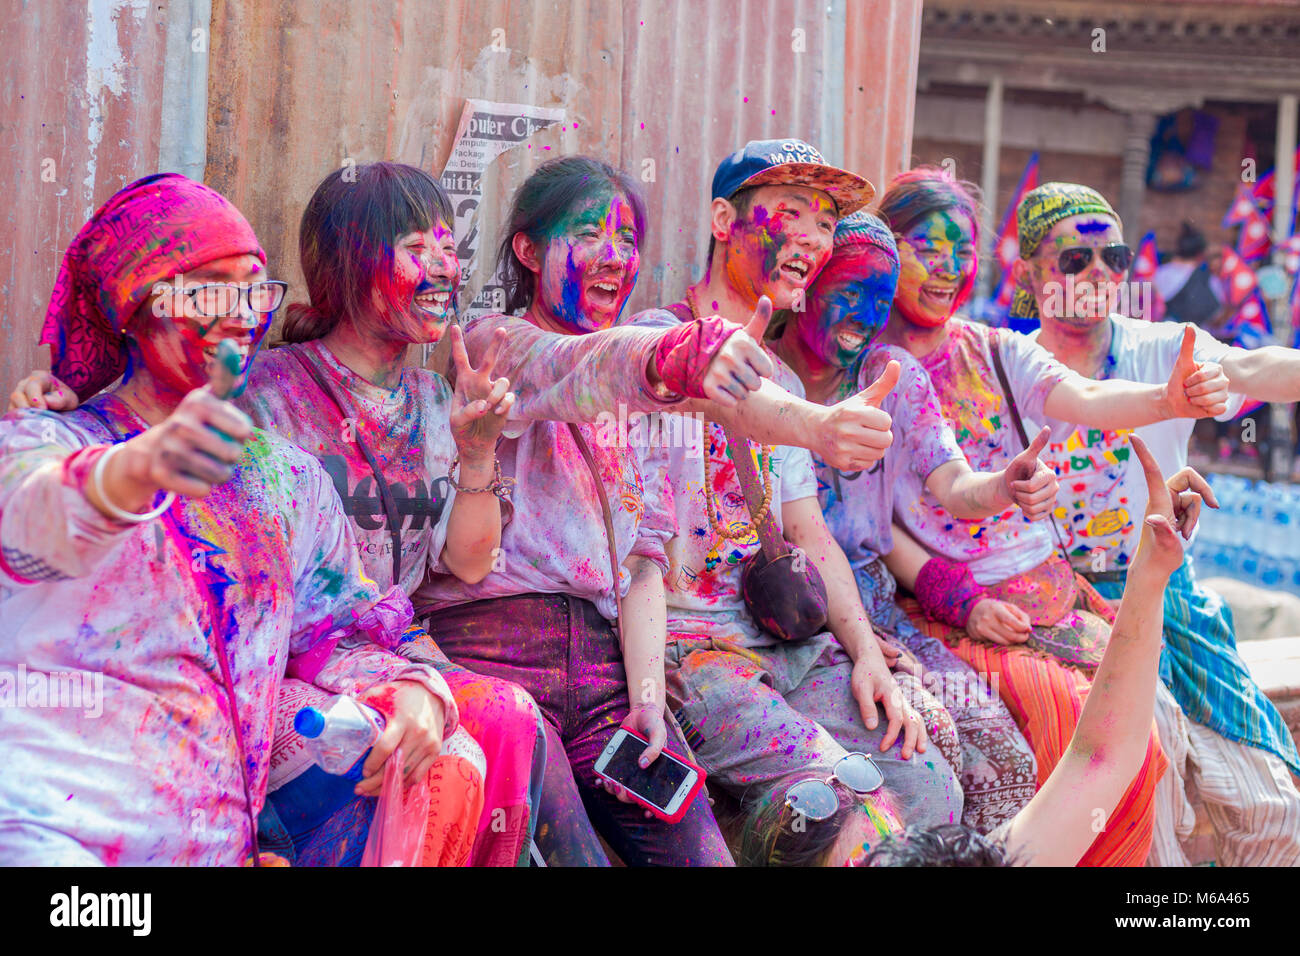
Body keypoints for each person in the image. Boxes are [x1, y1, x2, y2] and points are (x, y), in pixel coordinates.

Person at [11, 162, 548, 867]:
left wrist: (417, 690)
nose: (240, 313)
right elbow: (37, 521)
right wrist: (138, 467)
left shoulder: (281, 477)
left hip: (212, 840)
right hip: (58, 842)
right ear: (133, 305)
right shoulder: (48, 442)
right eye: (210, 289)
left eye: (252, 288)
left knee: (446, 748)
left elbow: (341, 625)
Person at [872, 165, 1224, 865]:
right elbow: (872, 524)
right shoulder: (865, 367)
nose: (948, 269)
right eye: (927, 249)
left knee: (1143, 738)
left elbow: (1089, 402)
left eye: (961, 250)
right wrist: (961, 597)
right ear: (886, 253)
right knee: (1068, 727)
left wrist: (1168, 401)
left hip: (1054, 597)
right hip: (952, 609)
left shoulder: (996, 350)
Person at [638, 140, 973, 867]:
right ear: (724, 220)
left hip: (791, 643)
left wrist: (864, 657)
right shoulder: (650, 352)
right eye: (792, 214)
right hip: (696, 656)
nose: (813, 240)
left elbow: (808, 531)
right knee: (850, 807)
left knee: (930, 793)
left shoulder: (783, 377)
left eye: (826, 223)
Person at [415, 155, 742, 866]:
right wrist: (673, 359)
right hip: (489, 654)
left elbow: (644, 564)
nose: (614, 257)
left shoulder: (634, 405)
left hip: (602, 674)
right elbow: (580, 370)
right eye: (589, 233)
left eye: (627, 241)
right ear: (529, 252)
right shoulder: (495, 347)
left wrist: (647, 695)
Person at [1017, 180, 1300, 866]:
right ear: (1029, 272)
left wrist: (1205, 385)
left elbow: (1254, 366)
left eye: (1112, 257)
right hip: (1067, 610)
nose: (1100, 275)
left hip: (1176, 603)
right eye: (1073, 260)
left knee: (1273, 808)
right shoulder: (1007, 366)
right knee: (1150, 802)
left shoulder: (1163, 349)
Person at [774, 211, 1042, 833]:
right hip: (797, 617)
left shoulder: (890, 375)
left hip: (880, 603)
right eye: (850, 291)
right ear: (807, 283)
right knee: (931, 744)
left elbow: (951, 484)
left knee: (1008, 762)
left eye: (881, 299)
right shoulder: (763, 378)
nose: (867, 316)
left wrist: (1005, 485)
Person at [865, 437, 1208, 865]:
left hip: (1035, 592)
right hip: (935, 610)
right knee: (1069, 711)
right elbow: (1102, 759)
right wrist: (1150, 571)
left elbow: (1102, 759)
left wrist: (1151, 569)